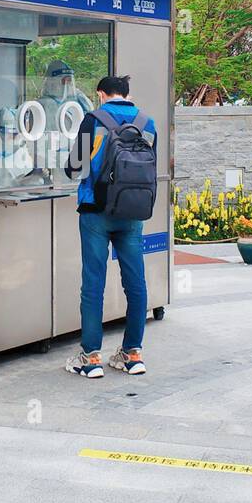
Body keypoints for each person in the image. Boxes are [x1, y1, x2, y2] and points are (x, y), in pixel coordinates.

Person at [63, 75, 156, 379]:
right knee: (136, 283)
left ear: (101, 94)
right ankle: (132, 353)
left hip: (95, 212)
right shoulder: (148, 122)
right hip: (132, 212)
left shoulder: (93, 119)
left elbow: (75, 167)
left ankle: (90, 358)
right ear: (128, 94)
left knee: (93, 282)